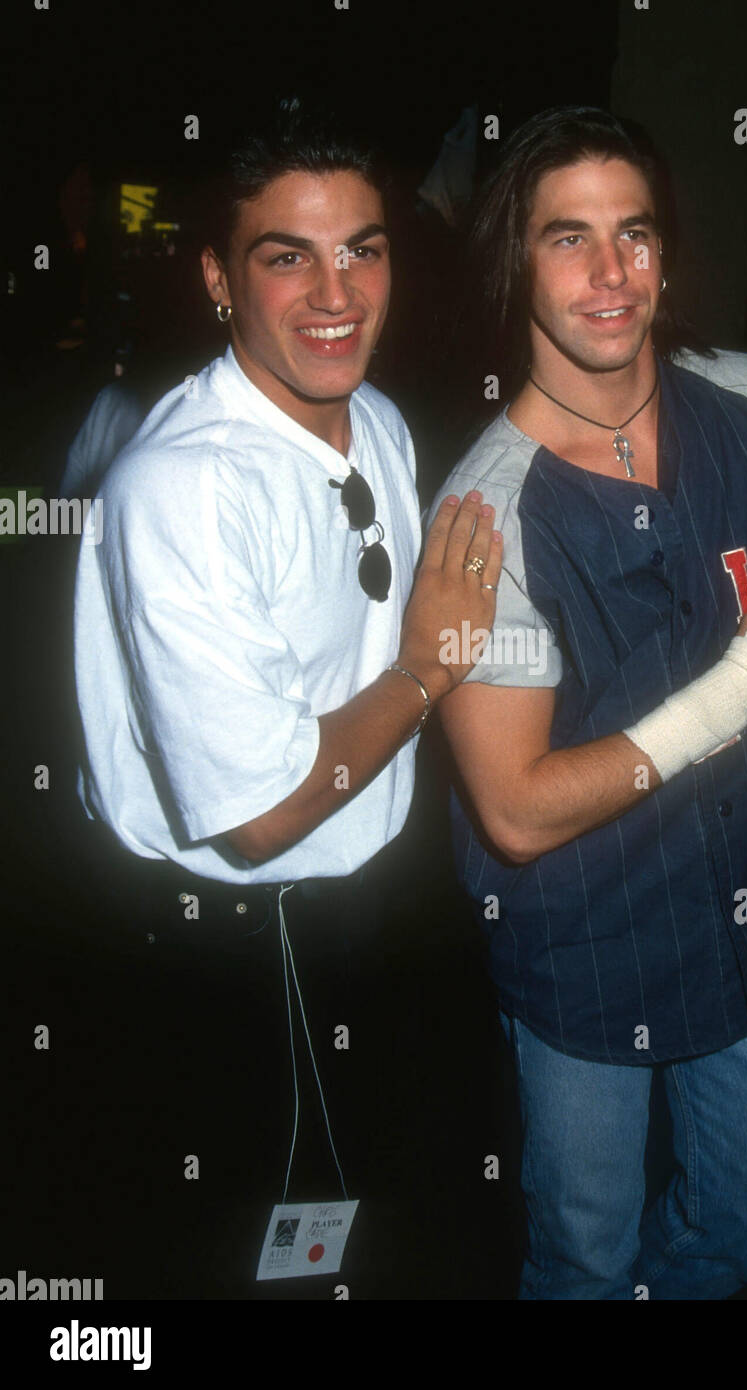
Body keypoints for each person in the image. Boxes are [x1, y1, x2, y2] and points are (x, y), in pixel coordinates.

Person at [432, 106, 747, 1301]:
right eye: (568, 238)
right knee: (583, 1261)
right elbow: (517, 813)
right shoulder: (489, 516)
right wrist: (738, 695)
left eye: (634, 233)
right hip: (588, 952)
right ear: (513, 261)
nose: (611, 274)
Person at [70, 98, 500, 1293]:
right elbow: (259, 815)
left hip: (374, 910)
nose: (337, 293)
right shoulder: (185, 486)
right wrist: (427, 667)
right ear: (219, 278)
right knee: (231, 1260)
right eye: (287, 256)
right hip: (232, 956)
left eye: (362, 248)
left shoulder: (381, 421)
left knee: (384, 1230)